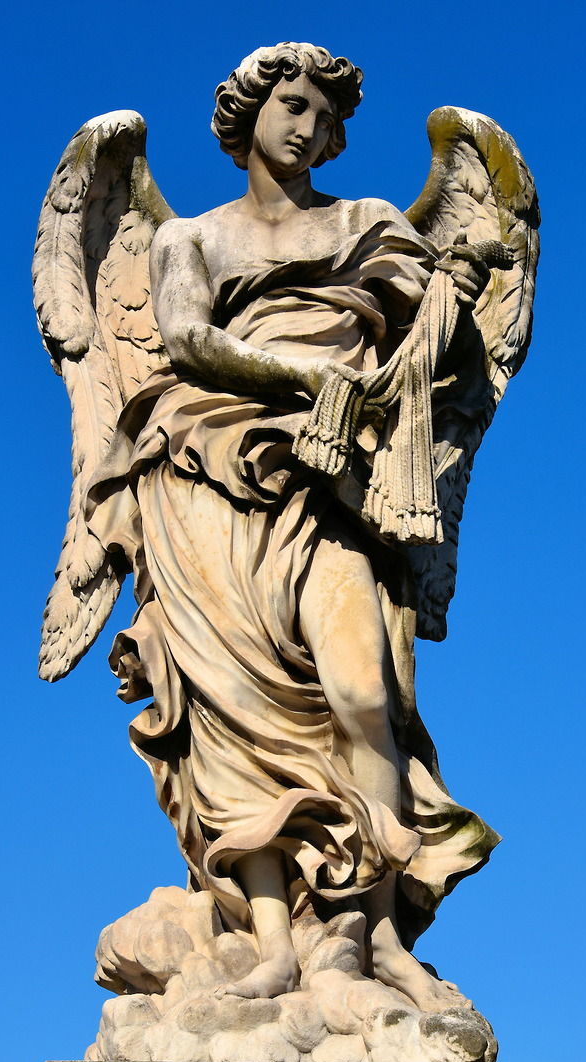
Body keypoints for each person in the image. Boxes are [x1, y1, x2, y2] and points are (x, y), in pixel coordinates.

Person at [87, 43, 498, 1008]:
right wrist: (308, 379)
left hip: (337, 482)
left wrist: (451, 302)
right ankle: (274, 942)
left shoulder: (372, 225)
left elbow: (438, 364)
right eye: (289, 105)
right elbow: (185, 340)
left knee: (363, 699)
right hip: (208, 469)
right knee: (232, 718)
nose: (306, 124)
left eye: (322, 112)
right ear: (245, 116)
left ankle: (373, 931)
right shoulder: (187, 238)